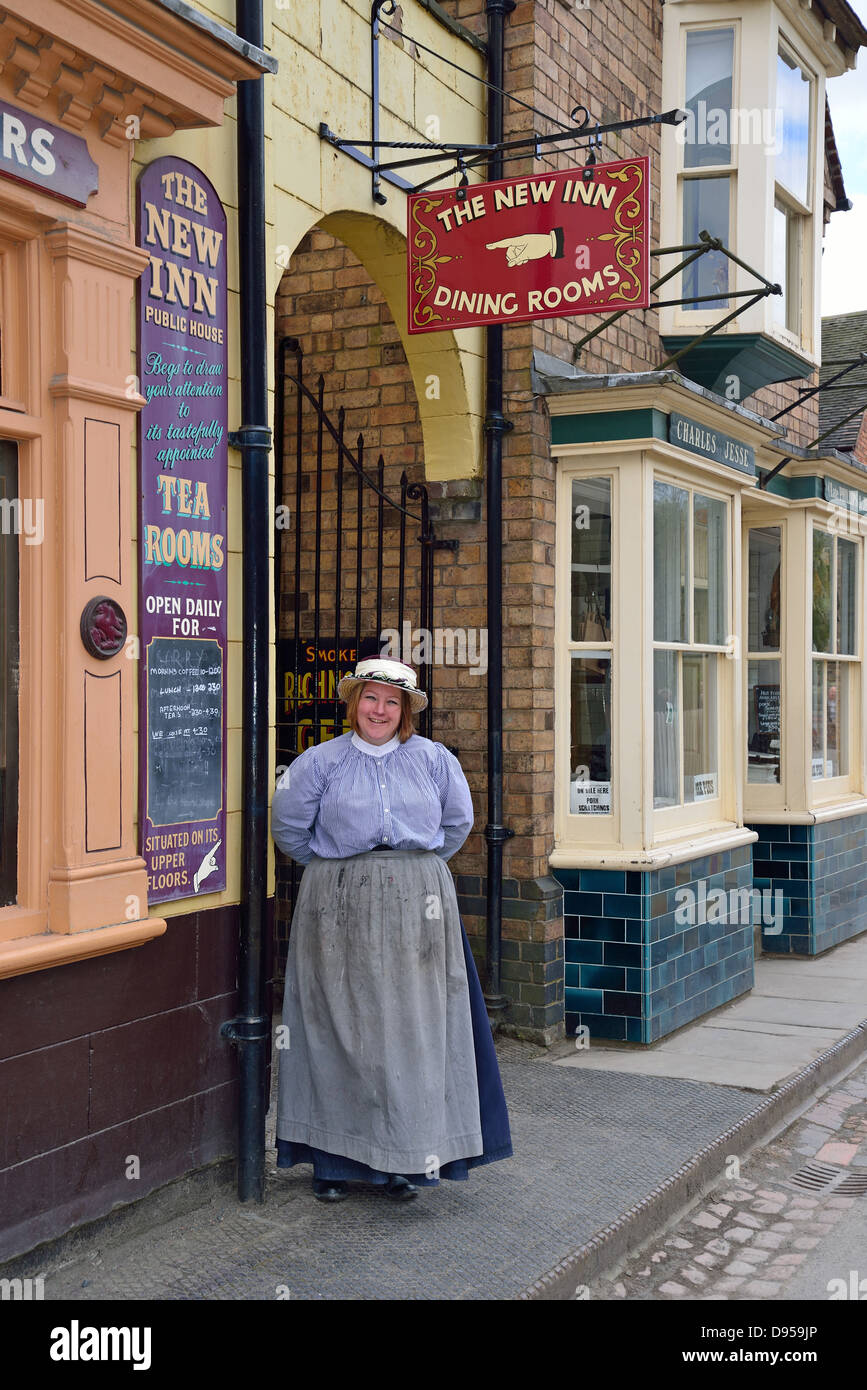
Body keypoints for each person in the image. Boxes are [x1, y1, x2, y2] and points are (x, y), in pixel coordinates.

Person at [271, 655, 512, 1202]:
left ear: (405, 711)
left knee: (411, 1029)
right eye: (370, 698)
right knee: (339, 1026)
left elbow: (457, 824)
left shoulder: (433, 760)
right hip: (336, 902)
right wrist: (340, 871)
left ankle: (406, 1157)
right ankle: (332, 1161)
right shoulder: (318, 762)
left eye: (392, 701)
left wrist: (411, 872)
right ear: (353, 702)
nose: (379, 710)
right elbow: (288, 827)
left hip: (416, 907)